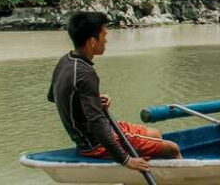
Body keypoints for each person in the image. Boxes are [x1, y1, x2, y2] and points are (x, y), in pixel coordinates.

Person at [47, 12, 181, 173]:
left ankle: (145, 169)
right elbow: (97, 123)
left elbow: (54, 96)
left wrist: (92, 100)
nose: (106, 40)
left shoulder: (65, 60)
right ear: (92, 41)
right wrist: (125, 160)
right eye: (104, 35)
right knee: (173, 148)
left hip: (94, 134)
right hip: (96, 144)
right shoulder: (86, 74)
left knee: (156, 133)